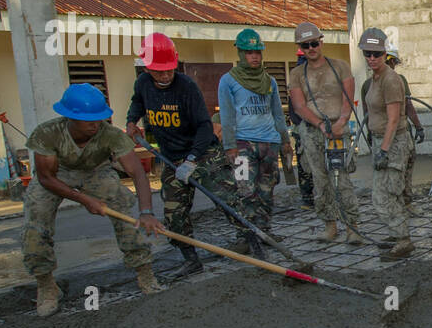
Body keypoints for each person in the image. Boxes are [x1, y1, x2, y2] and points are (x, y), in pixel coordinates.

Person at [22, 83, 164, 316]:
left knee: (124, 211)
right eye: (88, 120)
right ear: (69, 117)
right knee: (35, 221)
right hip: (56, 176)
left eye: (99, 118)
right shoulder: (47, 133)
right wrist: (85, 199)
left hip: (97, 171)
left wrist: (147, 212)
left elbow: (137, 172)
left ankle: (145, 272)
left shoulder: (110, 135)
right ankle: (46, 285)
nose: (95, 124)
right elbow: (46, 178)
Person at [125, 32, 248, 275]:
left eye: (169, 69)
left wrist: (192, 159)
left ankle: (252, 240)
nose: (165, 75)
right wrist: (131, 121)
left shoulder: (186, 86)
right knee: (174, 213)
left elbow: (204, 125)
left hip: (202, 152)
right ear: (147, 67)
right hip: (170, 157)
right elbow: (137, 102)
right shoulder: (142, 84)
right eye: (159, 71)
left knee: (227, 199)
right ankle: (191, 259)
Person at [217, 28, 294, 255]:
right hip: (242, 145)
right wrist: (229, 146)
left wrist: (285, 140)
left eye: (257, 52)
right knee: (244, 190)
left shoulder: (269, 81)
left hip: (269, 143)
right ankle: (245, 236)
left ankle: (265, 231)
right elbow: (227, 116)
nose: (254, 57)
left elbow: (278, 113)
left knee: (266, 190)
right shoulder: (228, 81)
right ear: (241, 53)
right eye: (249, 52)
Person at [288, 21, 365, 245]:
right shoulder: (296, 74)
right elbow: (300, 106)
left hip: (338, 129)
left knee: (342, 181)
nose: (311, 48)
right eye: (306, 45)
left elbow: (348, 98)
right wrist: (320, 125)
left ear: (321, 42)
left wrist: (341, 122)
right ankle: (330, 225)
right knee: (320, 181)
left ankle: (353, 227)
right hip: (312, 131)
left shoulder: (339, 66)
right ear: (301, 47)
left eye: (314, 43)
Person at [360, 27, 415, 260]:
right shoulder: (375, 78)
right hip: (381, 142)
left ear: (385, 54)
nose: (372, 58)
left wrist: (383, 150)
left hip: (392, 144)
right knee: (386, 193)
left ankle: (403, 240)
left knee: (385, 195)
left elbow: (394, 118)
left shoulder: (390, 80)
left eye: (376, 53)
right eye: (368, 53)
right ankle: (397, 234)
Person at [385, 46, 425, 212]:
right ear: (392, 61)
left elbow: (366, 113)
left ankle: (395, 205)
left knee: (389, 172)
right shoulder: (399, 79)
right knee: (405, 169)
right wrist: (419, 127)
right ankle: (405, 204)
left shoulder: (368, 83)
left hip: (382, 136)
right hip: (400, 134)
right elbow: (408, 105)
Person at [286, 47, 316, 210]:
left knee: (318, 163)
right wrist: (302, 125)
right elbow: (294, 109)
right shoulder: (296, 80)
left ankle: (317, 195)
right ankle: (307, 197)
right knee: (305, 164)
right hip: (302, 128)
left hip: (316, 127)